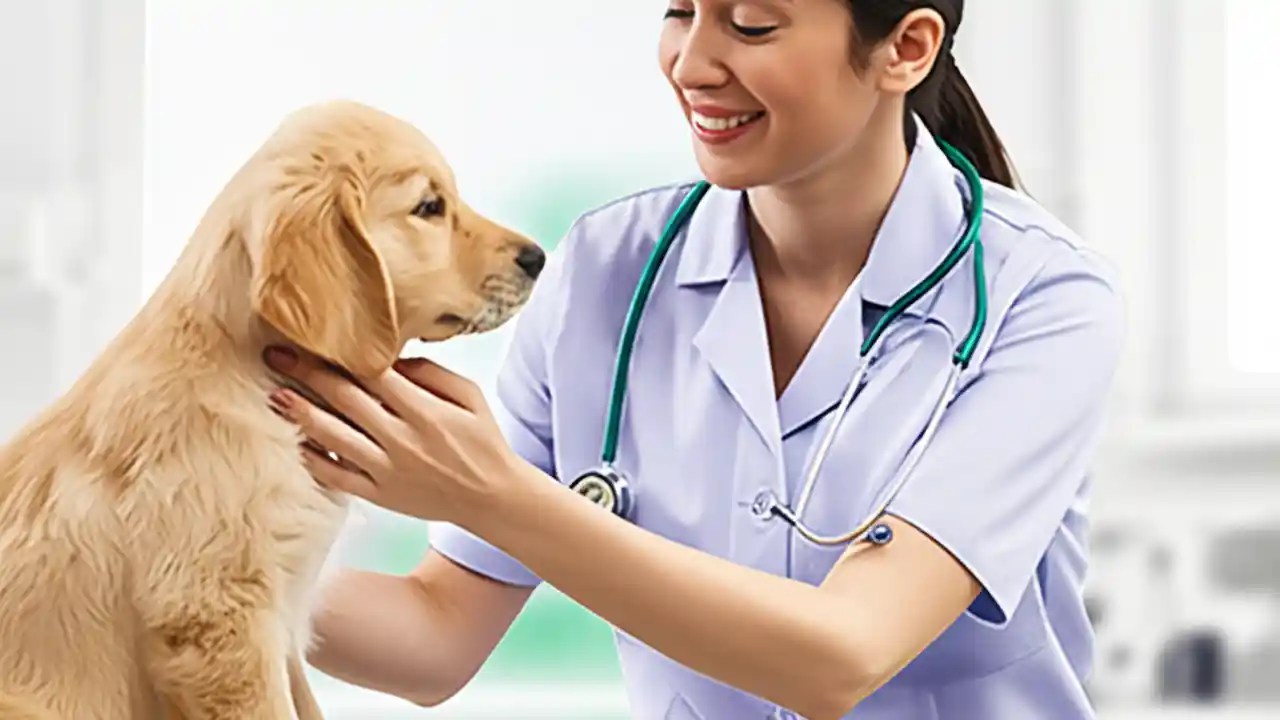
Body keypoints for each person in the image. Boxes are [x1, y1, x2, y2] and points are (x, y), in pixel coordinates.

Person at [262, 1, 1124, 718]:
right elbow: (435, 638)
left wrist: (488, 492)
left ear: (905, 47)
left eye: (750, 26)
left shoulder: (1039, 297)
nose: (692, 63)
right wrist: (195, 560)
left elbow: (841, 655)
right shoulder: (606, 273)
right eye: (681, 12)